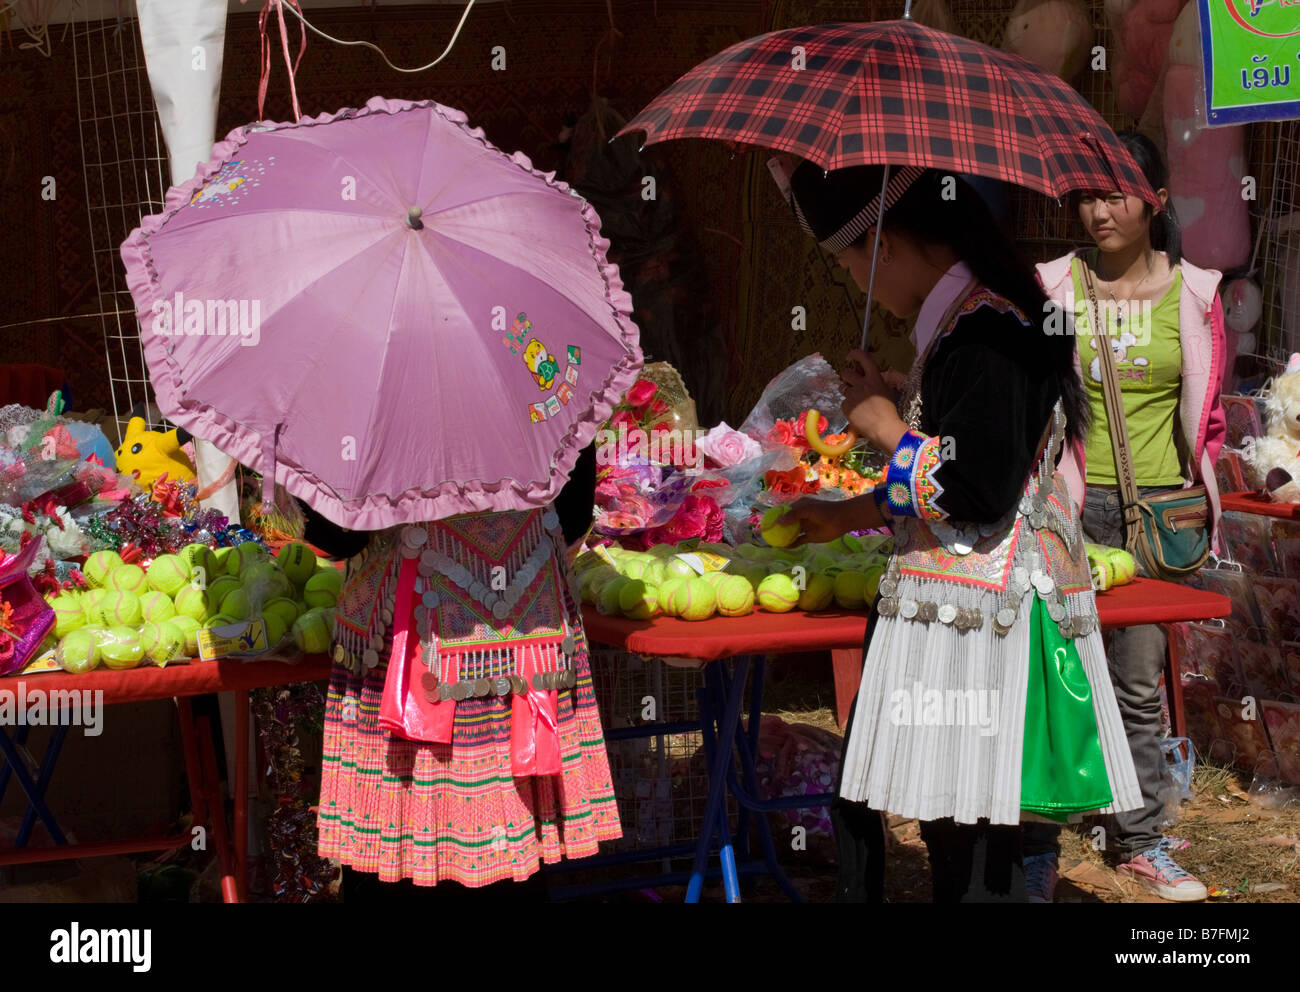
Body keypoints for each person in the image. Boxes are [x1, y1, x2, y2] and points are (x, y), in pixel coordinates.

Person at [776, 161, 1142, 903]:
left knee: (977, 840)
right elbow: (963, 464)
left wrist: (884, 428)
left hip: (988, 622)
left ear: (891, 242)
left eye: (851, 262)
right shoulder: (972, 321)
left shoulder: (990, 328)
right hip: (969, 608)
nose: (857, 281)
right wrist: (851, 511)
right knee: (962, 828)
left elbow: (979, 486)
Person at [1027, 131, 1226, 903]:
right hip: (1068, 509)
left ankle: (1139, 839)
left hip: (1150, 515)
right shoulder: (1055, 286)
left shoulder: (1194, 293)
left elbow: (1202, 416)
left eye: (1114, 193)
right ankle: (1038, 844)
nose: (1098, 210)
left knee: (1138, 681)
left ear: (1156, 201)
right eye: (1085, 194)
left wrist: (1197, 493)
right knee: (1056, 675)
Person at [311, 444, 622, 900]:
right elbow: (574, 515)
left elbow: (340, 535)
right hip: (521, 637)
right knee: (511, 857)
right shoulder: (540, 376)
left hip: (413, 650)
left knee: (397, 862)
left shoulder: (372, 384)